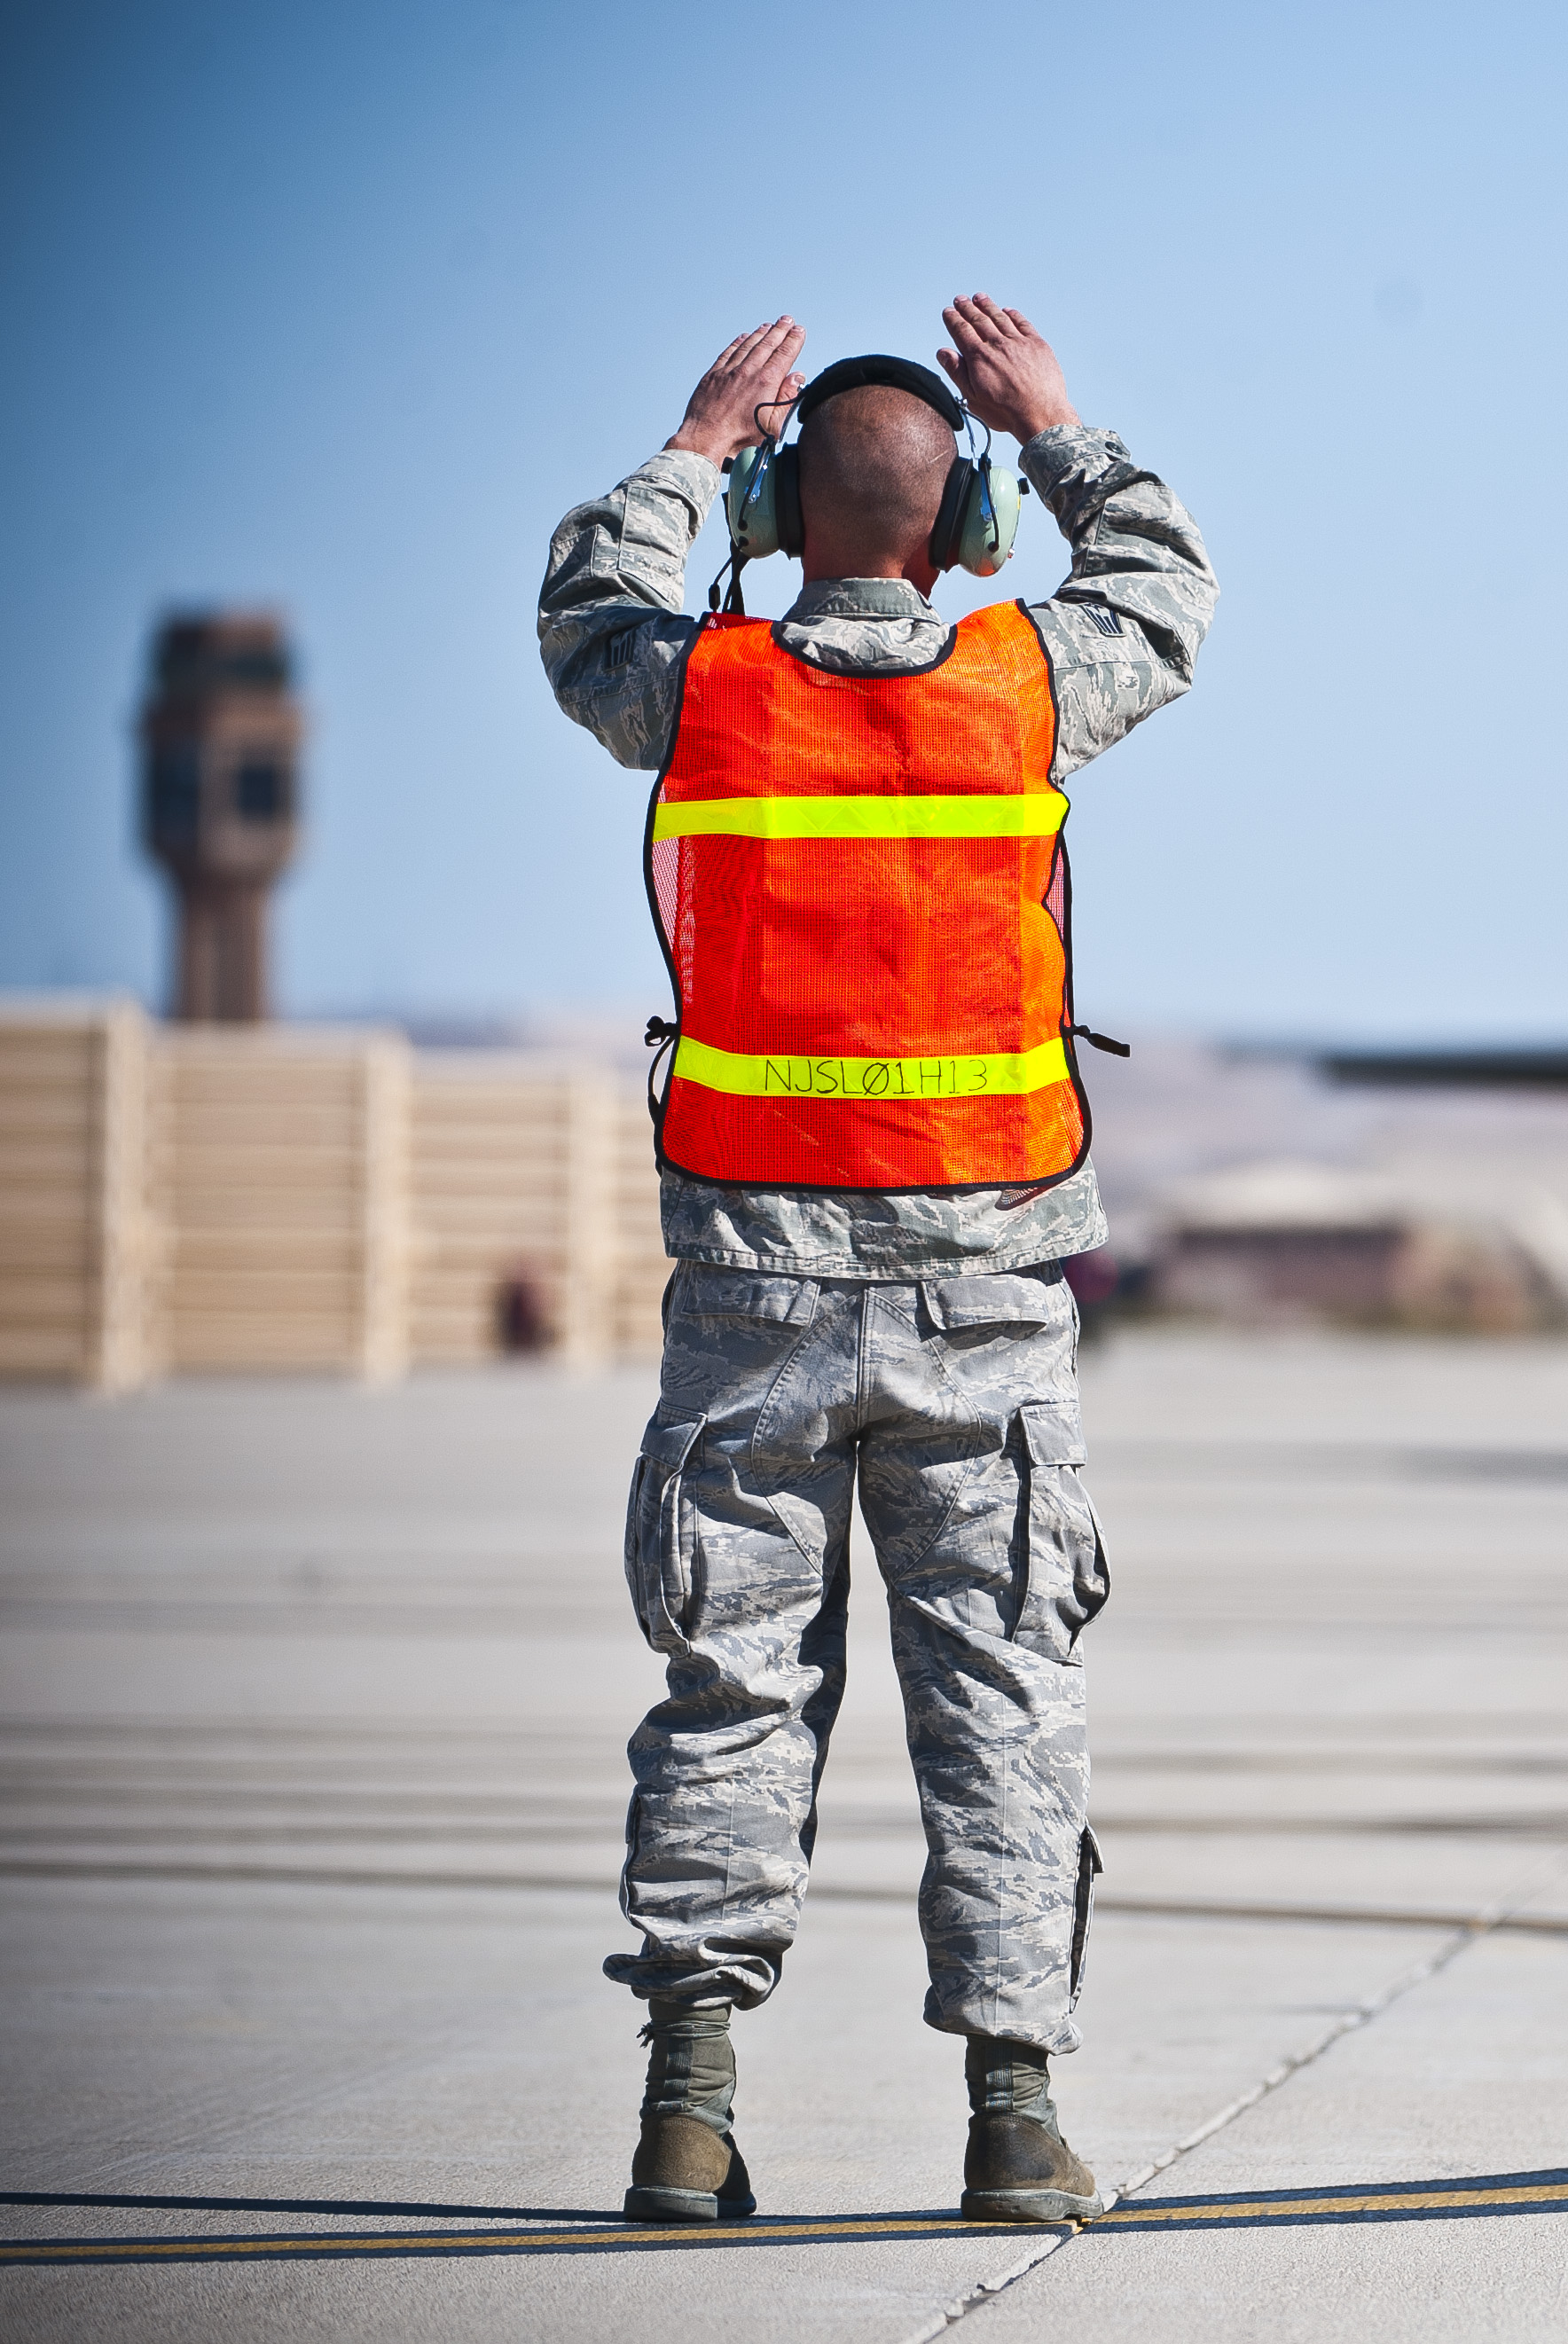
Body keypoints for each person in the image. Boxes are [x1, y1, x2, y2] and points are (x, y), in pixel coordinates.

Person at [537, 298, 1214, 2225]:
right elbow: (1166, 585)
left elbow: (586, 612)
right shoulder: (1019, 685)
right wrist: (1061, 422)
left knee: (729, 1689)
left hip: (748, 1286)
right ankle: (1013, 2116)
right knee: (1000, 1691)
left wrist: (687, 454)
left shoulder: (706, 692)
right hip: (985, 1287)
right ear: (966, 523)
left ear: (779, 508)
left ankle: (688, 2105)